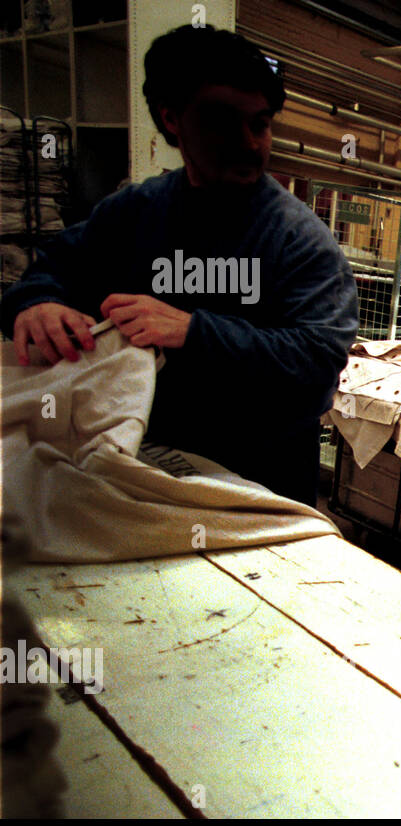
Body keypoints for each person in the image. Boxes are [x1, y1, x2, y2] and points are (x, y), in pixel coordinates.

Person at [0, 26, 358, 505]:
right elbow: (52, 268)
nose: (250, 144)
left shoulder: (298, 240)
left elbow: (316, 359)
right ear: (173, 120)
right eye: (225, 122)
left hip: (261, 484)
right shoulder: (132, 213)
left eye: (260, 123)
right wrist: (36, 302)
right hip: (136, 464)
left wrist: (193, 331)